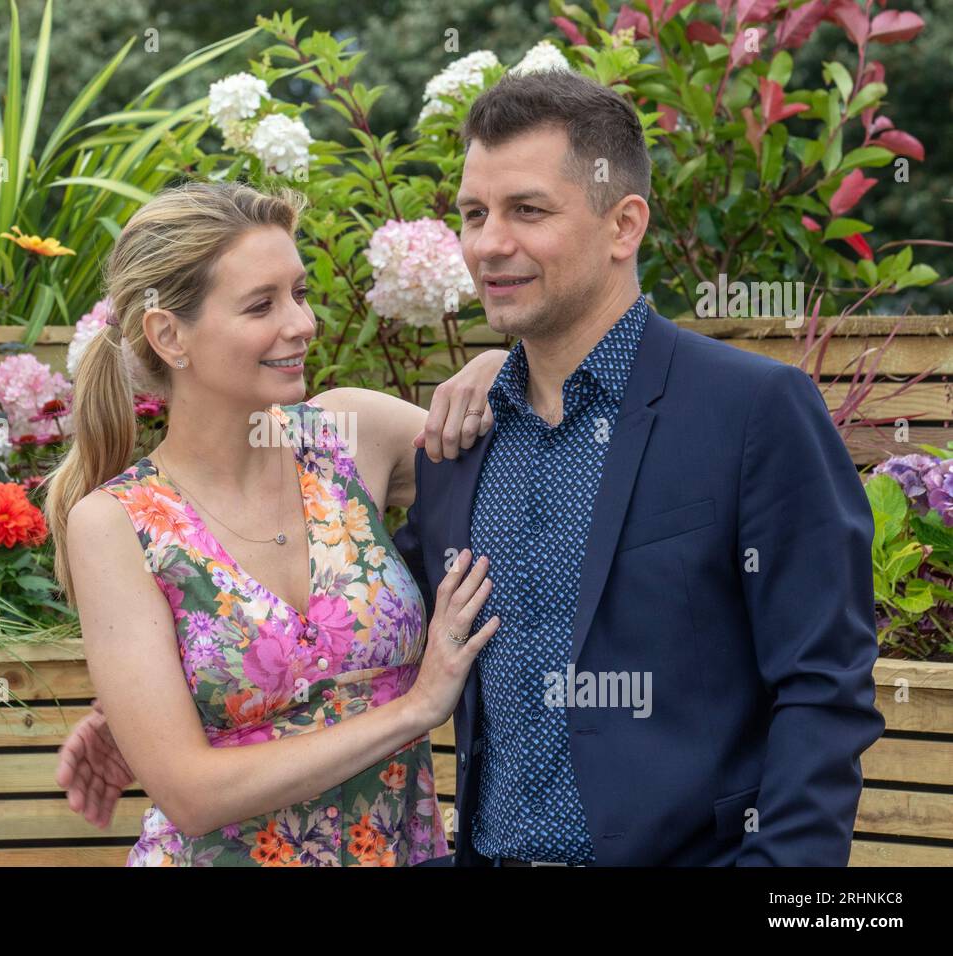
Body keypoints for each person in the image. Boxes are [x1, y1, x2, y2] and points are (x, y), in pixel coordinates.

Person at [393, 68, 885, 866]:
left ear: (623, 225)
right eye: (474, 214)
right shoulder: (462, 434)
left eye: (527, 210)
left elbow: (823, 688)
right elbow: (371, 629)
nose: (488, 243)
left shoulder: (754, 410)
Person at [46, 179, 509, 866]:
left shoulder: (350, 436)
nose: (301, 323)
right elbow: (192, 794)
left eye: (298, 292)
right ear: (169, 334)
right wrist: (416, 708)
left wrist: (493, 365)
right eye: (262, 304)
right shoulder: (116, 525)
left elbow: (529, 441)